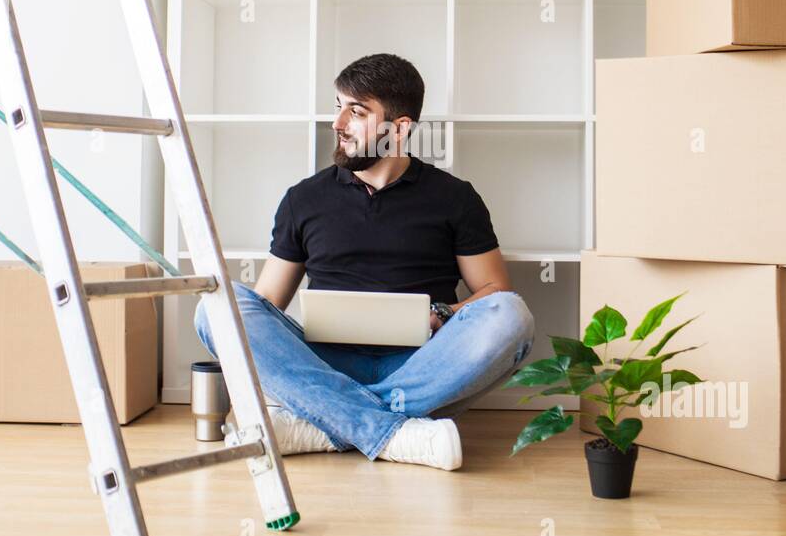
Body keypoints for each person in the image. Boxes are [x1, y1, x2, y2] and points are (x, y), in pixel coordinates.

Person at [194, 53, 535, 470]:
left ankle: (324, 423)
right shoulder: (304, 198)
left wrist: (442, 314)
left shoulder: (455, 198)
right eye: (338, 107)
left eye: (355, 112)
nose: (338, 125)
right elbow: (267, 301)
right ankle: (393, 431)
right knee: (218, 307)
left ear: (399, 127)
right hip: (323, 365)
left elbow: (494, 291)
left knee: (512, 315)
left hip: (421, 365)